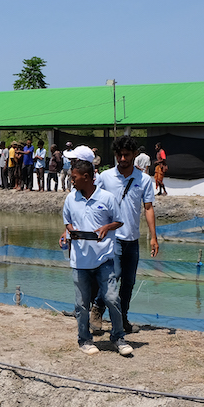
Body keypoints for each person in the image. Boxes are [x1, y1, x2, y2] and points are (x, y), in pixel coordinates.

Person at [61, 147, 132, 357]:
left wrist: (105, 228)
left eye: (74, 177)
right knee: (81, 304)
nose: (71, 180)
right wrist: (69, 233)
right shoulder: (70, 199)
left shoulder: (107, 198)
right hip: (80, 261)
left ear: (86, 177)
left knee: (111, 298)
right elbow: (68, 222)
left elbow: (118, 221)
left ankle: (118, 337)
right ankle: (84, 339)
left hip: (104, 259)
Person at [92, 135, 159, 335]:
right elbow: (94, 203)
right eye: (119, 155)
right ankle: (97, 309)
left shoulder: (144, 180)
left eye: (126, 155)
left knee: (129, 282)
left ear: (134, 155)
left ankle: (122, 318)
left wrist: (154, 237)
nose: (122, 158)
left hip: (133, 239)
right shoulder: (105, 177)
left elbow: (148, 208)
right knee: (114, 276)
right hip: (113, 238)